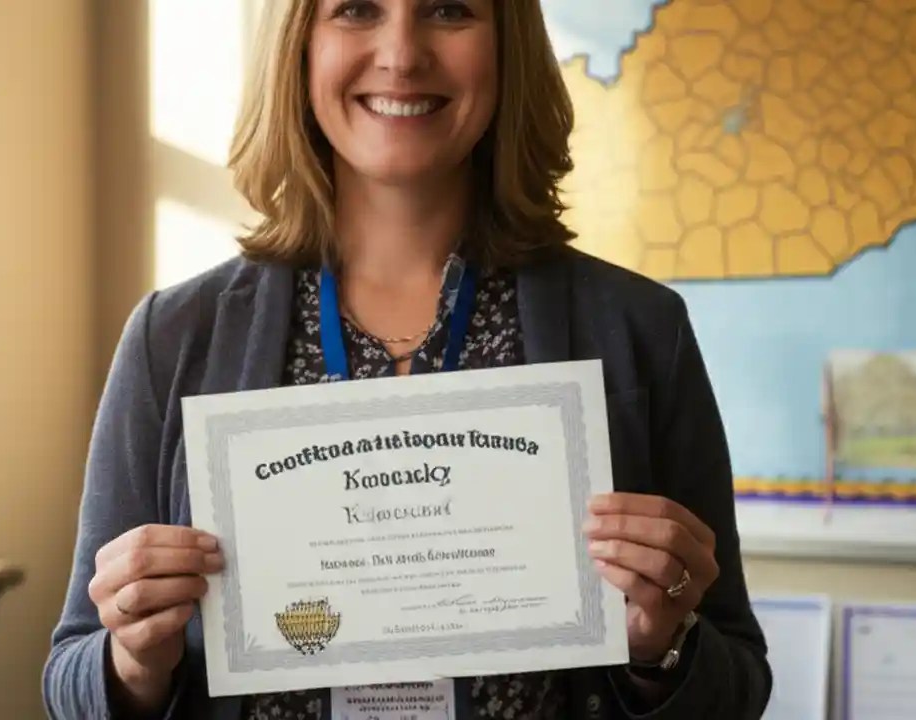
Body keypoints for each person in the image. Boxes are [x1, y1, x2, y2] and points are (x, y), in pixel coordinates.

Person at [43, 0, 772, 718]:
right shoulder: (172, 337)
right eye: (357, 9)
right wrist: (132, 661)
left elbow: (739, 682)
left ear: (509, 47)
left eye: (448, 10)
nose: (400, 54)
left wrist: (662, 646)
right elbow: (70, 678)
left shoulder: (641, 329)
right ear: (300, 47)